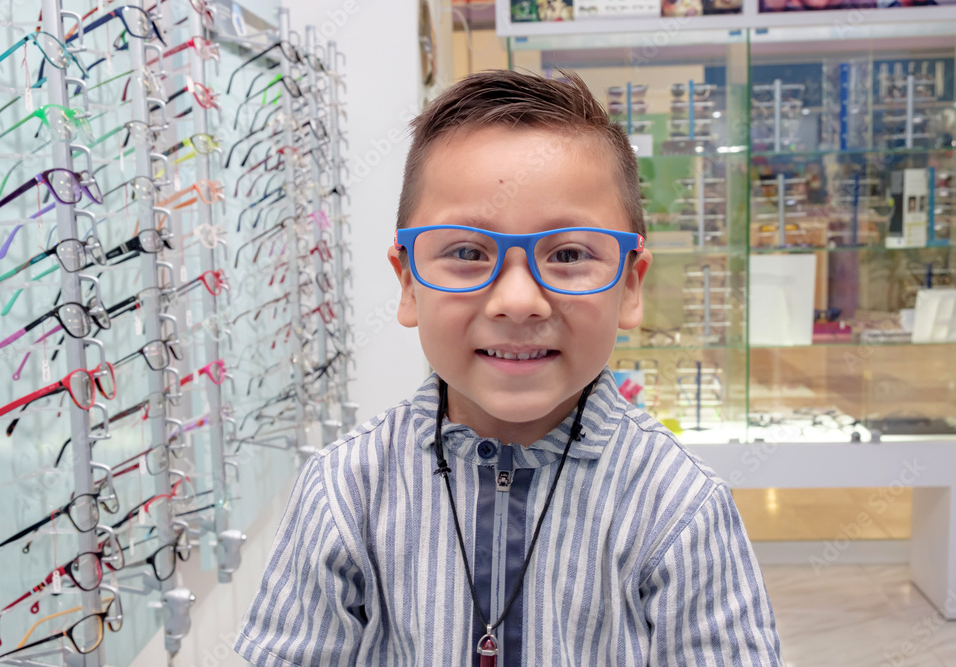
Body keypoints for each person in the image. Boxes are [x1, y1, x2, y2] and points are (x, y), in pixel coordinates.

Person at [234, 70, 783, 666]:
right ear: (408, 282)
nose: (518, 300)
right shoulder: (347, 491)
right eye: (467, 253)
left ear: (629, 285)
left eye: (569, 254)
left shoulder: (678, 507)